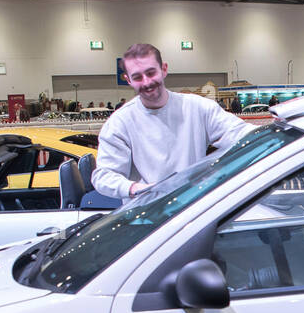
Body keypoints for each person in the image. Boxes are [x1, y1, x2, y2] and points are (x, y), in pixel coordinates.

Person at [92, 42, 251, 200]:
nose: (146, 82)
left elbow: (243, 135)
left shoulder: (199, 108)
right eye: (137, 77)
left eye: (151, 73)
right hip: (147, 210)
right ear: (128, 80)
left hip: (194, 206)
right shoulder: (119, 123)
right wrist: (136, 189)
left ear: (164, 69)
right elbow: (104, 176)